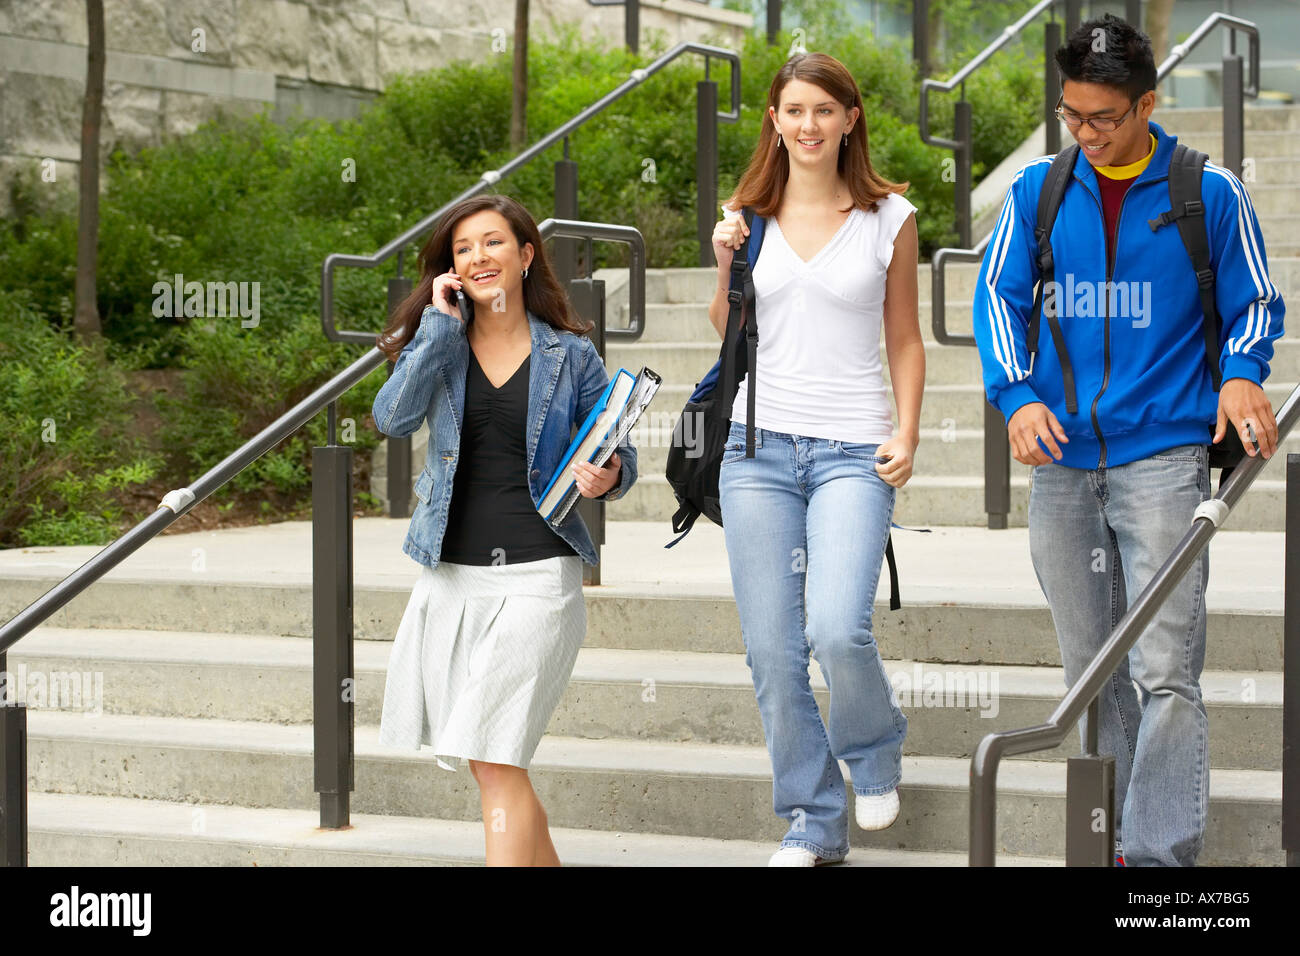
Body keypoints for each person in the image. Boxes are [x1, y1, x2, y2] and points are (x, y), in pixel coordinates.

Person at [972, 15, 1284, 866]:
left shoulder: (1207, 191)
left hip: (1164, 460)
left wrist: (1242, 368)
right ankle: (1105, 839)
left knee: (1165, 669)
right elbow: (998, 299)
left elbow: (1258, 299)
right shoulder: (1039, 189)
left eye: (1103, 116)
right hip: (1064, 466)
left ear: (1147, 102)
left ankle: (1156, 863)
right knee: (1092, 671)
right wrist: (1016, 394)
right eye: (1072, 114)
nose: (1085, 131)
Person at [370, 193, 637, 866]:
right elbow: (392, 419)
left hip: (539, 576)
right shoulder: (442, 347)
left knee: (492, 755)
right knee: (491, 764)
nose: (478, 256)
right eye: (463, 248)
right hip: (451, 576)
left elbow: (618, 450)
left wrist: (609, 476)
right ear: (450, 268)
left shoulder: (570, 355)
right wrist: (435, 328)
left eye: (492, 243)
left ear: (524, 257)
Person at [711, 52, 925, 866]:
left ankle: (872, 755)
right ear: (774, 119)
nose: (807, 125)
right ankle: (811, 819)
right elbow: (725, 332)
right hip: (754, 450)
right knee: (772, 649)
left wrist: (906, 431)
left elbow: (904, 340)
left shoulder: (888, 218)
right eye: (793, 110)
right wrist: (727, 258)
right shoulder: (747, 214)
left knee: (836, 628)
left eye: (823, 111)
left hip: (851, 450)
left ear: (849, 120)